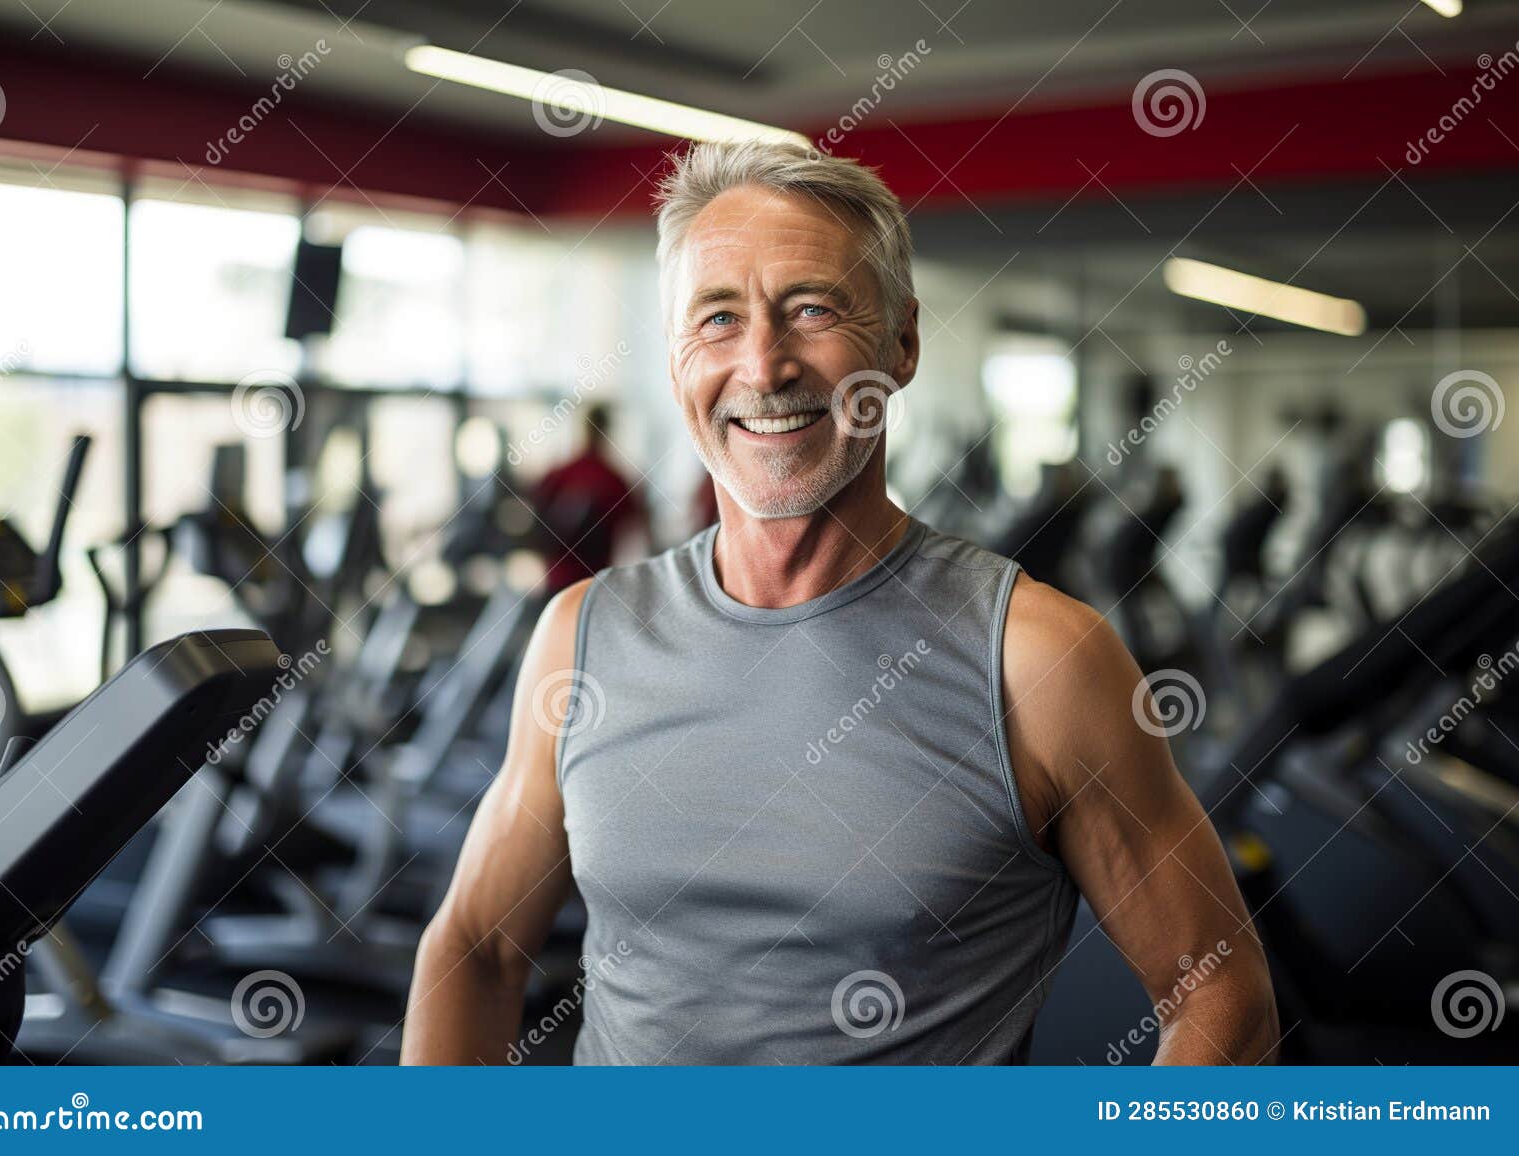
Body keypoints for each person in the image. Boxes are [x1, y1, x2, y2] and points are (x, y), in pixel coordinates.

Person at [404, 142, 1278, 1065]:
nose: (764, 364)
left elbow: (1220, 989)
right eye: (717, 319)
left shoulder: (1040, 659)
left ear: (900, 341)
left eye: (811, 309)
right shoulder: (581, 636)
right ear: (674, 364)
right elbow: (478, 948)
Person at [529, 403, 644, 591]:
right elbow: (635, 527)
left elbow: (533, 520)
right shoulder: (615, 480)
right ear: (606, 430)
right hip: (595, 586)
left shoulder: (558, 474)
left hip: (558, 582)